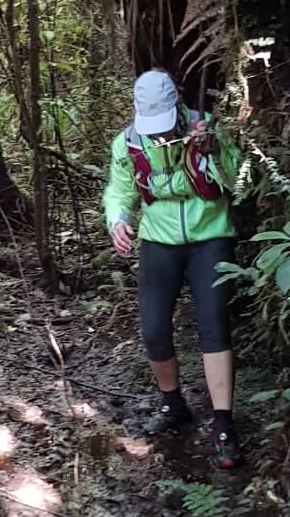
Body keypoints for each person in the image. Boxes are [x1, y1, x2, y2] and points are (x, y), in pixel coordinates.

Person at [103, 68, 243, 469]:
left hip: (210, 235)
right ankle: (172, 403)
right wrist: (117, 220)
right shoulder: (128, 142)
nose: (162, 136)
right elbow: (119, 190)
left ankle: (223, 424)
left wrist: (211, 150)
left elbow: (238, 181)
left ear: (178, 108)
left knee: (213, 324)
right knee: (153, 328)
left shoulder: (208, 128)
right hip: (158, 239)